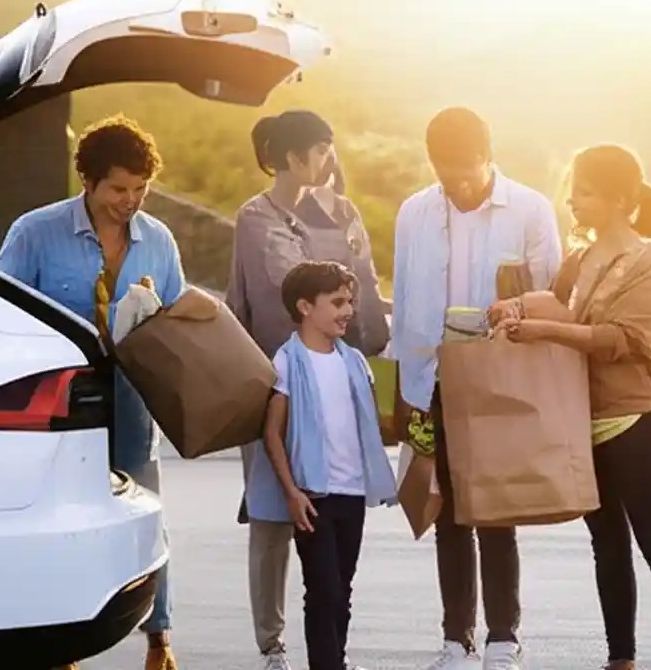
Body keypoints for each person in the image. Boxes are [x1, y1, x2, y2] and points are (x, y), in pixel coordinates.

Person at [489, 144, 651, 670]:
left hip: (634, 418)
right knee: (606, 544)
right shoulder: (580, 259)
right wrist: (513, 306)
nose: (572, 200)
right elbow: (556, 302)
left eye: (584, 190)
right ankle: (620, 660)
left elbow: (622, 338)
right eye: (573, 189)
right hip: (583, 418)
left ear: (620, 198)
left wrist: (546, 331)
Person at [0, 114, 185, 670]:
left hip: (133, 399)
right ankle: (62, 647)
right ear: (89, 182)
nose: (131, 201)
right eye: (119, 189)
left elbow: (175, 321)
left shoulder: (158, 240)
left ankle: (159, 638)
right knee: (60, 523)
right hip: (61, 404)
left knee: (145, 517)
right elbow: (4, 313)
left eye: (141, 189)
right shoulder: (35, 232)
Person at [391, 107, 562, 670]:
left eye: (467, 171)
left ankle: (502, 639)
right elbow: (406, 302)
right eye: (446, 173)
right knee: (446, 511)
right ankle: (455, 640)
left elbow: (553, 295)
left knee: (495, 510)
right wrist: (403, 386)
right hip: (433, 376)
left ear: (489, 157)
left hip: (499, 377)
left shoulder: (531, 210)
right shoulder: (414, 212)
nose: (458, 184)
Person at [225, 110, 390, 670]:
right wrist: (342, 269)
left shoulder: (342, 211)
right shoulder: (257, 216)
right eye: (321, 150)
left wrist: (372, 337)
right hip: (274, 383)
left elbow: (360, 283)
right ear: (293, 157)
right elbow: (287, 282)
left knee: (332, 523)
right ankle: (272, 645)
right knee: (274, 517)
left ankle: (328, 650)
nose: (329, 161)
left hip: (334, 377)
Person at [260, 260, 398, 670]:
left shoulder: (354, 360)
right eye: (337, 302)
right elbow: (273, 433)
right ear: (305, 307)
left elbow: (368, 422)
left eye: (350, 301)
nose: (348, 310)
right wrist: (292, 493)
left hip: (352, 491)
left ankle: (335, 658)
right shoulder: (287, 361)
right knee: (323, 590)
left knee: (343, 587)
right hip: (314, 494)